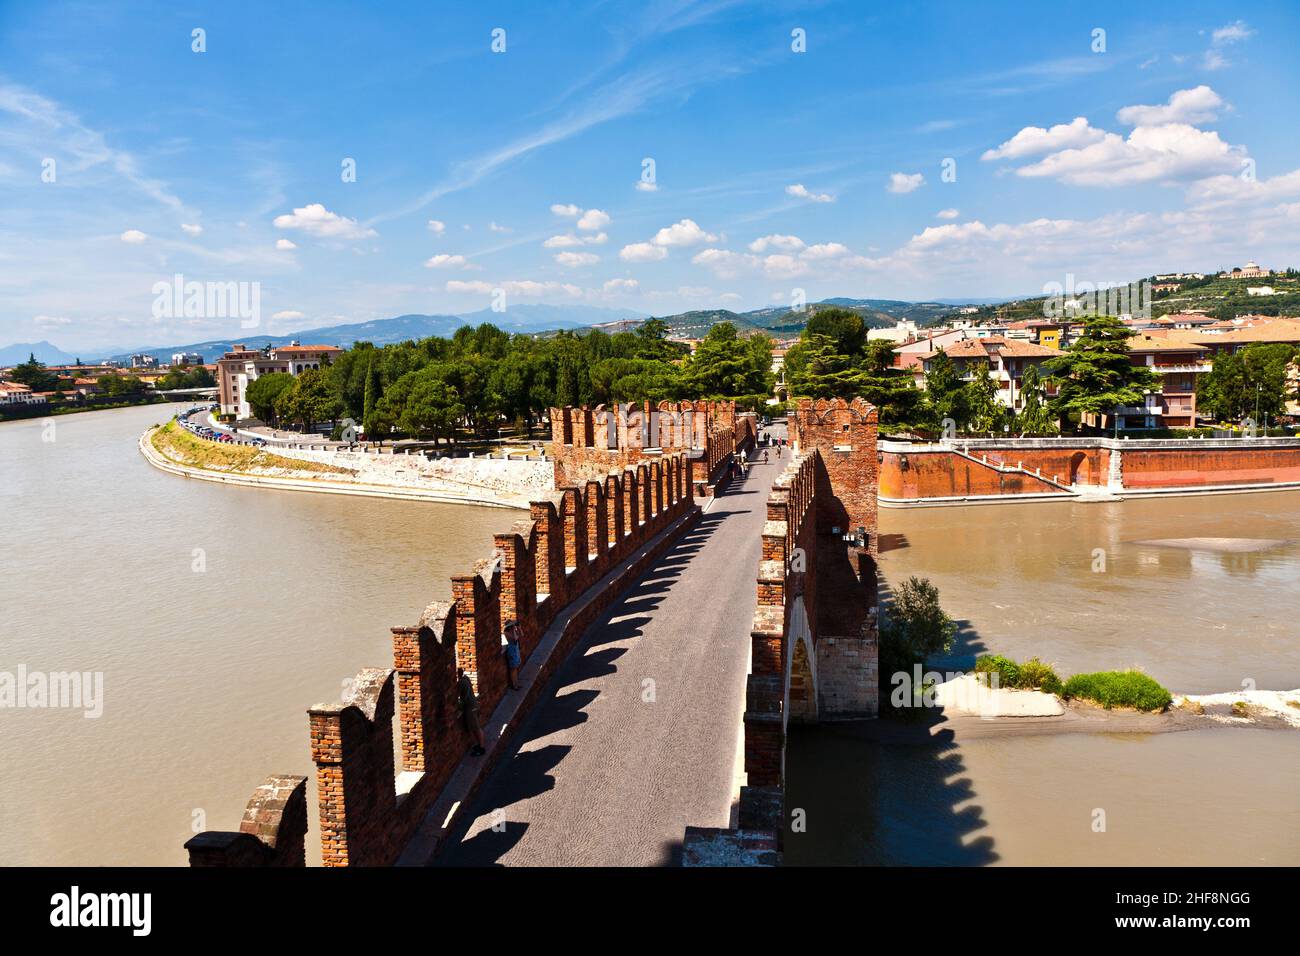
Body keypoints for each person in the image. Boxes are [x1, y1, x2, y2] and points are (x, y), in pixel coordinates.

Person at [457, 668, 486, 756]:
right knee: (475, 727)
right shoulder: (466, 678)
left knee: (476, 728)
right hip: (474, 705)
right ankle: (479, 745)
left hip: (470, 708)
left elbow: (456, 694)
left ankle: (481, 748)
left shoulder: (461, 683)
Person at [503, 619, 522, 691]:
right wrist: (514, 630)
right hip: (511, 651)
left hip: (515, 650)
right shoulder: (506, 633)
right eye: (511, 625)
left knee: (515, 668)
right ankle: (514, 685)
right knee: (513, 669)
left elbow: (522, 635)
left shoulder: (513, 630)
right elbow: (515, 638)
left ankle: (516, 683)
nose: (513, 626)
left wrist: (519, 628)